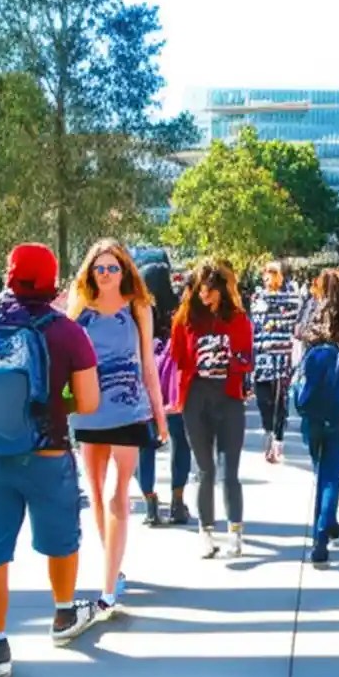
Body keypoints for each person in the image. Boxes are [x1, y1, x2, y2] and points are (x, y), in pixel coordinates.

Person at [0, 243, 101, 677]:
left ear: (9, 277)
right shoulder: (66, 331)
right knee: (62, 539)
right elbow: (88, 401)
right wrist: (55, 408)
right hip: (47, 455)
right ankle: (64, 616)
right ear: (51, 279)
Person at [66, 239, 168, 617]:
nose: (106, 274)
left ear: (125, 270)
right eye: (99, 268)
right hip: (89, 411)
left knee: (116, 493)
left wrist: (158, 414)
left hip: (128, 410)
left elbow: (148, 365)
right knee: (95, 492)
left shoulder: (137, 307)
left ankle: (108, 588)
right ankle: (114, 565)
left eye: (112, 268)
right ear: (89, 272)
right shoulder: (80, 309)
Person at [170, 260, 254, 558]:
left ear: (220, 289)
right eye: (199, 290)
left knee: (229, 472)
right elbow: (178, 358)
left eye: (209, 290)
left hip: (229, 398)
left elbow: (247, 356)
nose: (203, 295)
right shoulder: (185, 320)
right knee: (205, 469)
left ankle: (235, 533)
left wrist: (231, 359)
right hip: (196, 399)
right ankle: (206, 533)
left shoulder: (238, 319)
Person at [294, 269, 339, 566]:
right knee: (331, 476)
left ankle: (327, 521)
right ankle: (322, 532)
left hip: (312, 417)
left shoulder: (314, 347)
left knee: (320, 470)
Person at [137, 261, 193, 526]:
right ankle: (177, 503)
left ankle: (150, 504)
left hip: (144, 390)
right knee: (180, 444)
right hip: (173, 389)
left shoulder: (136, 312)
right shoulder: (179, 312)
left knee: (142, 447)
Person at [251, 260, 303, 464]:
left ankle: (278, 440)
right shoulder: (257, 298)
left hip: (282, 356)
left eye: (273, 272)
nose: (268, 276)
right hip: (262, 355)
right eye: (266, 272)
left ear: (282, 276)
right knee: (263, 399)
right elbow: (254, 325)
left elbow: (295, 325)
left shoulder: (292, 299)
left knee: (280, 401)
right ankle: (268, 432)